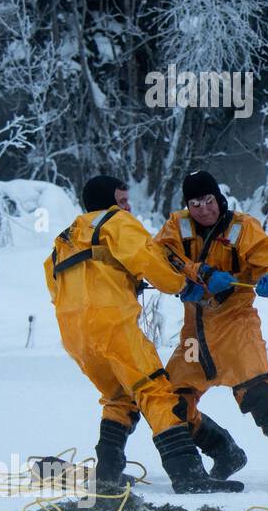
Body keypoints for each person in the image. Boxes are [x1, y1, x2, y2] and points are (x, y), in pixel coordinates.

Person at [44, 175, 243, 494]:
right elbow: (147, 258)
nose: (128, 207)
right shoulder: (116, 222)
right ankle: (188, 474)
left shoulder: (64, 239)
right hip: (112, 325)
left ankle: (108, 473)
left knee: (119, 396)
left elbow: (55, 286)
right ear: (108, 203)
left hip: (75, 336)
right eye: (122, 201)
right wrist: (182, 285)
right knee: (155, 390)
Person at [154, 170, 268, 491]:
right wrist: (194, 279)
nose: (204, 209)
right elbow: (159, 258)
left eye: (209, 200)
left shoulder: (243, 228)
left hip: (236, 326)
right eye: (195, 204)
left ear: (218, 197)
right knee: (170, 402)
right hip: (194, 335)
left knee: (261, 392)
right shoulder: (176, 227)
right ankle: (225, 451)